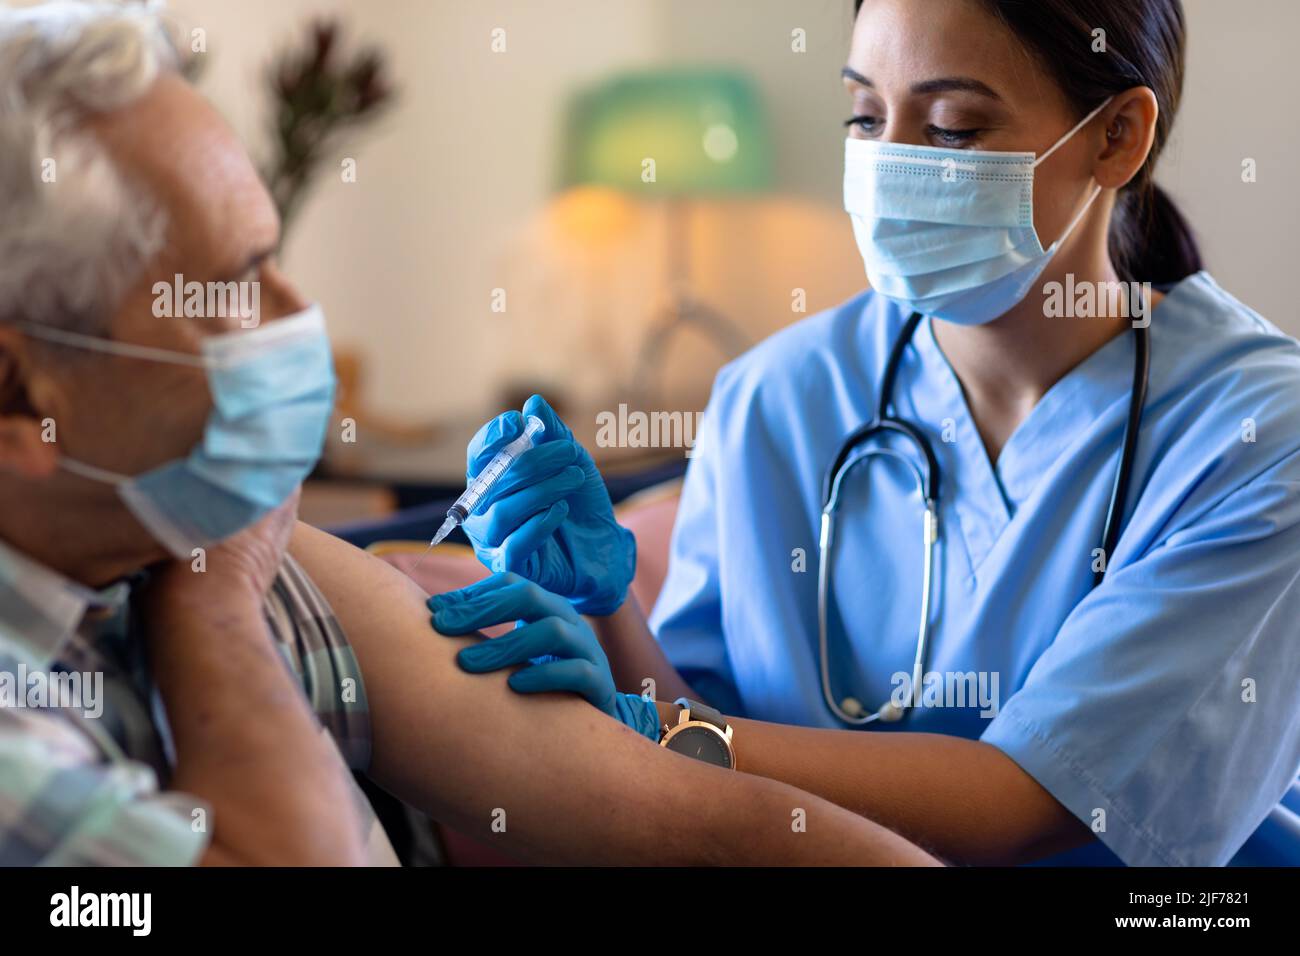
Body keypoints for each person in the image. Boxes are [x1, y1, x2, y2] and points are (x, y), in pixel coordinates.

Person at [0, 0, 940, 867]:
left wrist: (648, 707)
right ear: (20, 398)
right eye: (234, 288)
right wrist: (217, 606)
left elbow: (715, 825)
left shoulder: (184, 539)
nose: (298, 317)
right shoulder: (220, 570)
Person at [442, 0, 1300, 866]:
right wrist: (608, 612)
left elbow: (1033, 802)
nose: (891, 163)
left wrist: (659, 733)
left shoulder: (1258, 435)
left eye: (953, 127)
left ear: (1116, 135)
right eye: (864, 116)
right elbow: (696, 733)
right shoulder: (776, 397)